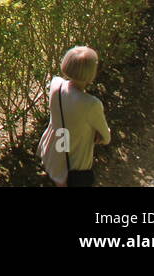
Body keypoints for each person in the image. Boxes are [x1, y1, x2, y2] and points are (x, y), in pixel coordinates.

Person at [40, 45, 111, 187]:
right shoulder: (91, 104)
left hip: (53, 155)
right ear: (91, 73)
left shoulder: (55, 85)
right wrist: (102, 135)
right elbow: (106, 138)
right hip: (75, 166)